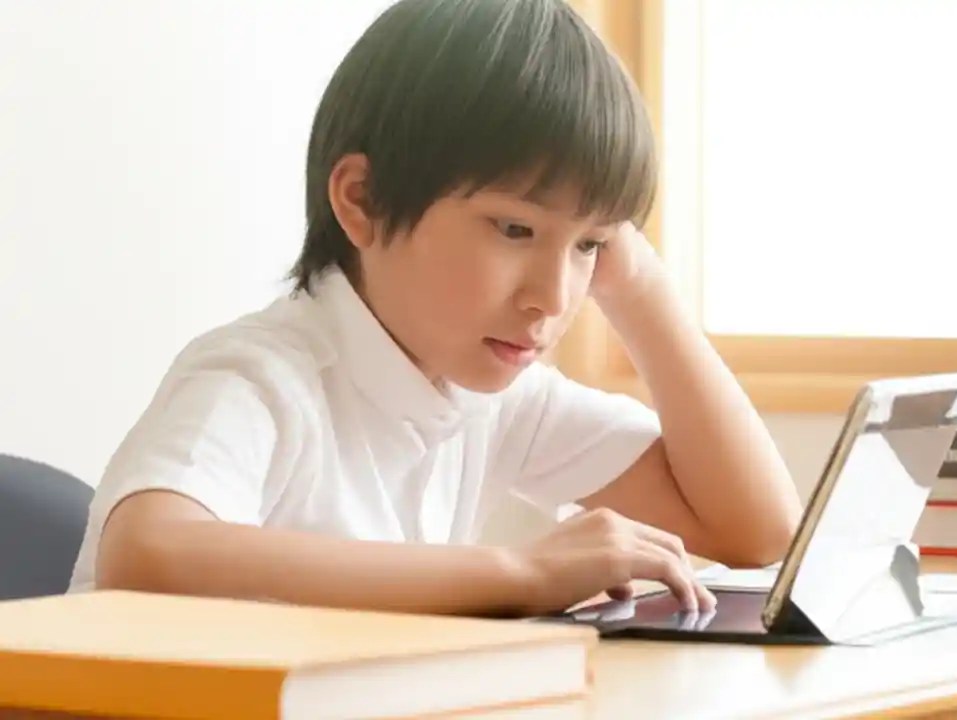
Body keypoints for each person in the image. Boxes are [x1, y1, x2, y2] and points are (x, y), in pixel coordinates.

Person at [69, 0, 801, 617]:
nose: (553, 298)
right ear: (362, 200)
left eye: (590, 246)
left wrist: (640, 289)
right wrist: (521, 574)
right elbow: (150, 552)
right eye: (514, 229)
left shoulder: (492, 395)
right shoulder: (260, 376)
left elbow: (756, 531)